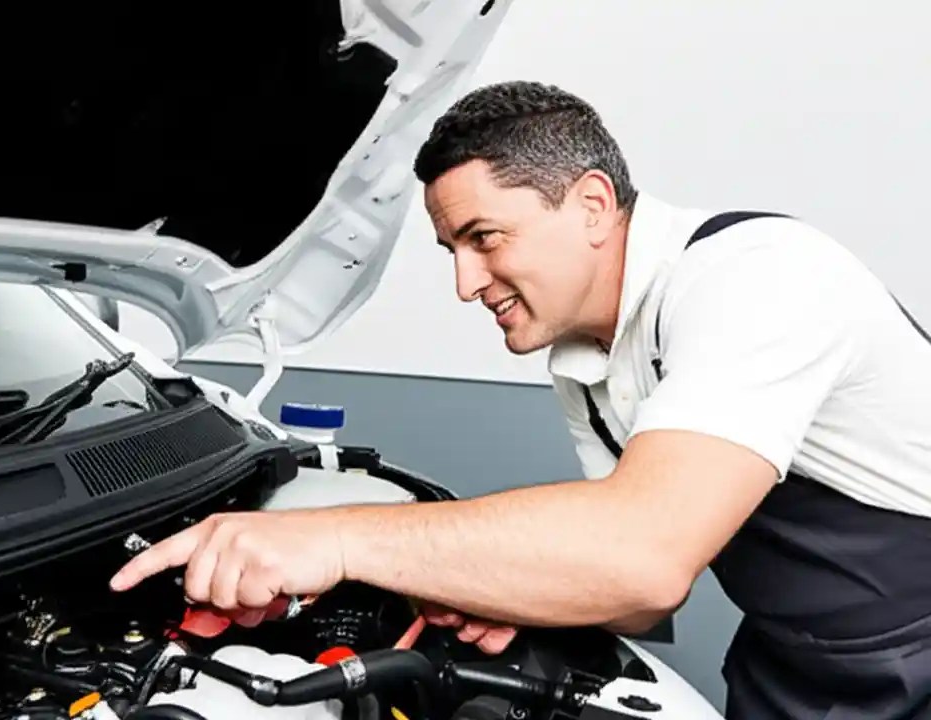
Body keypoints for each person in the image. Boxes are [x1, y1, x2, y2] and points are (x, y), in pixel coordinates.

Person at [109, 80, 931, 719]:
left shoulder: (760, 278)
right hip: (799, 665)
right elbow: (626, 596)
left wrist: (334, 539)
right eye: (451, 250)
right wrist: (496, 592)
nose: (466, 284)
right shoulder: (584, 357)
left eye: (484, 238)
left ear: (593, 205)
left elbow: (644, 560)